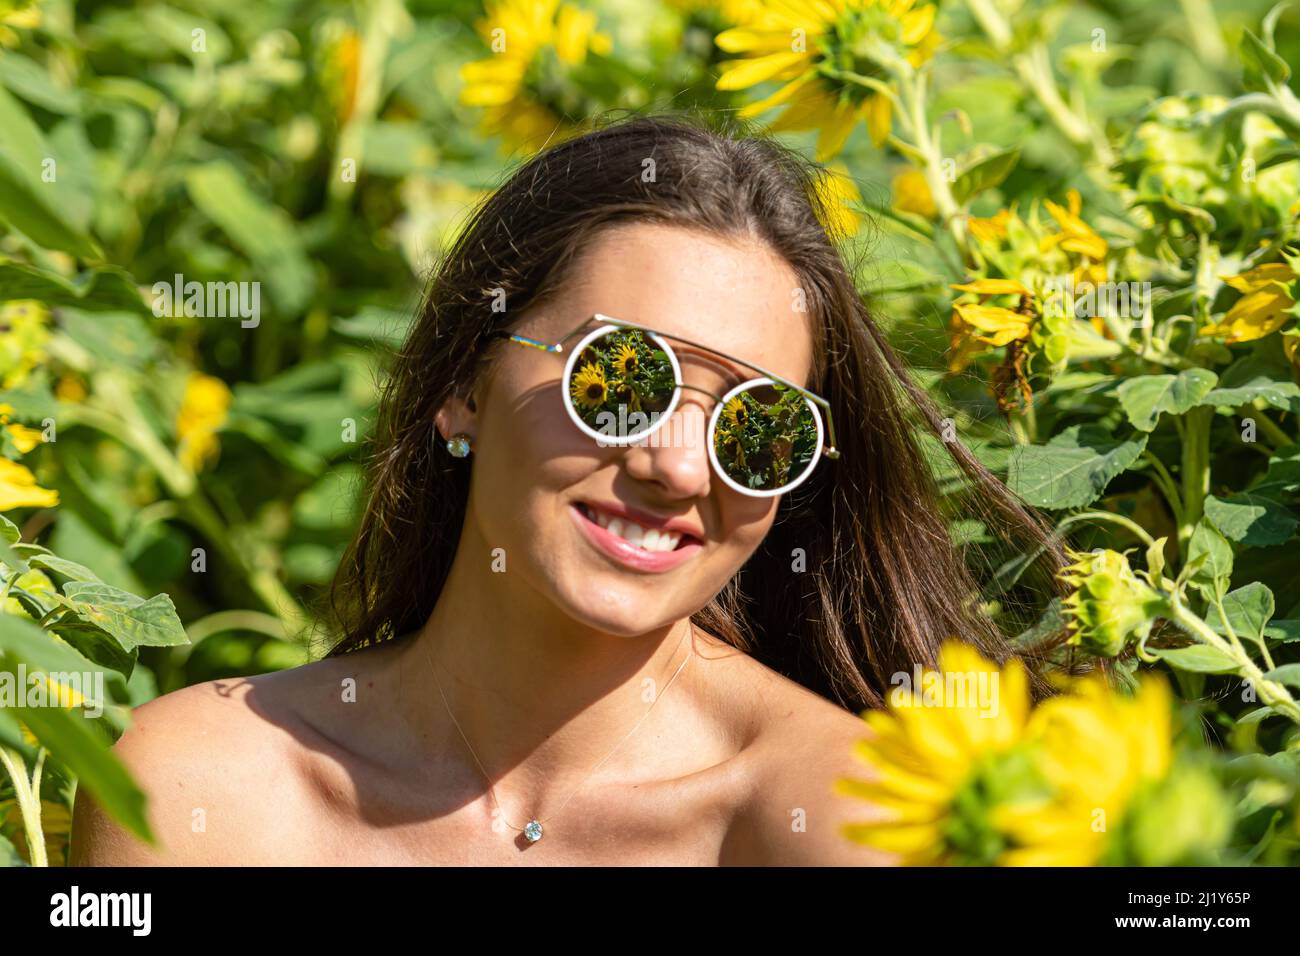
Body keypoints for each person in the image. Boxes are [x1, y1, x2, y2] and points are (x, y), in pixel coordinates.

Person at [72, 113, 1065, 866]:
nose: (679, 466)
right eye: (620, 377)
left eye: (760, 428)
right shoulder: (196, 789)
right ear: (463, 384)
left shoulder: (856, 816)